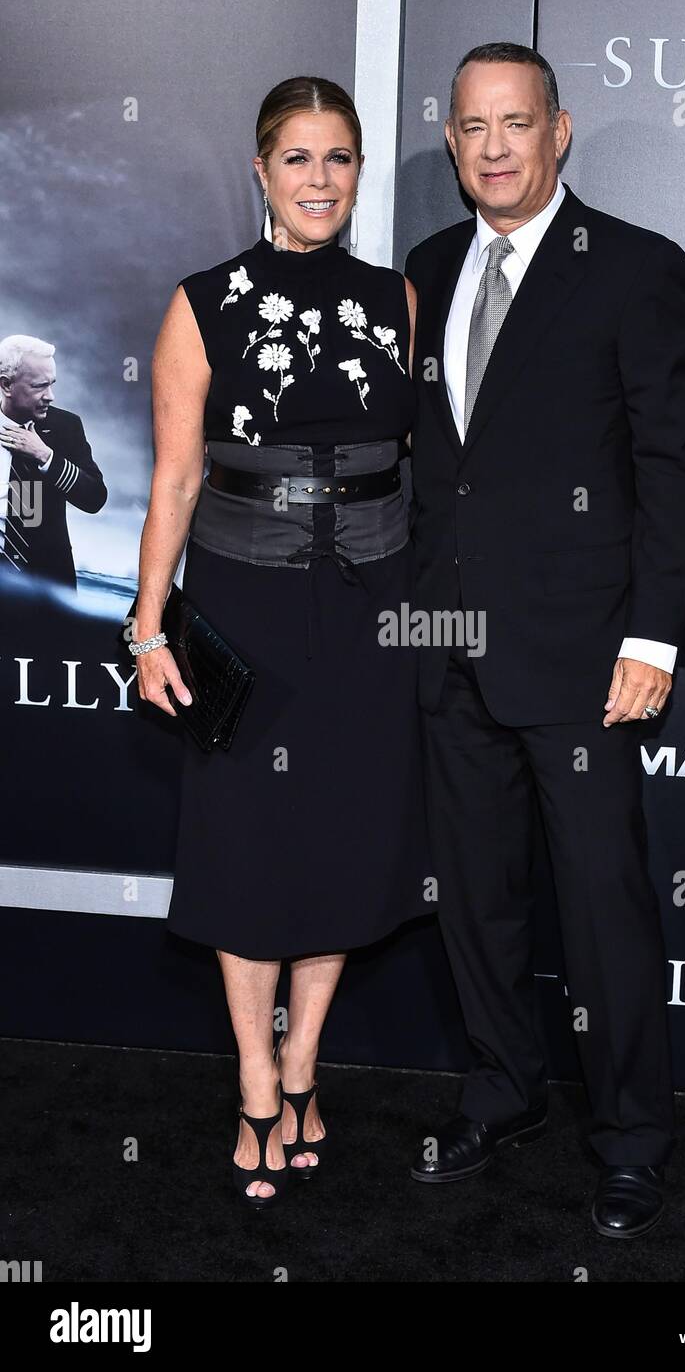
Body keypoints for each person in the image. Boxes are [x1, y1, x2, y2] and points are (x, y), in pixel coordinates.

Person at [405, 43, 685, 1238]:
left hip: (584, 657)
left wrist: (654, 640)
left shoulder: (636, 268)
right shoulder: (430, 267)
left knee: (600, 908)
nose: (494, 148)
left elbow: (671, 469)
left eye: (516, 124)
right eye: (473, 128)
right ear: (450, 141)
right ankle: (504, 1090)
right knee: (477, 901)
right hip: (447, 646)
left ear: (559, 130)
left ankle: (632, 1137)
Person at [132, 77, 429, 1206]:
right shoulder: (202, 301)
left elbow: (418, 466)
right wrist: (148, 628)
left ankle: (305, 1059)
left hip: (370, 610)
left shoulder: (396, 299)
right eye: (297, 157)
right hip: (244, 610)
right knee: (248, 847)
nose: (319, 178)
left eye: (338, 157)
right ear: (260, 171)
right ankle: (256, 1080)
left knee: (346, 841)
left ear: (359, 172)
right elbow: (173, 481)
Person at [0, 335, 107, 588]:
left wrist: (45, 456)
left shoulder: (65, 427)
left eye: (52, 384)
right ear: (6, 385)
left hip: (47, 588)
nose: (50, 396)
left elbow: (95, 498)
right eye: (39, 386)